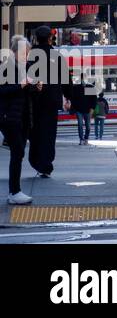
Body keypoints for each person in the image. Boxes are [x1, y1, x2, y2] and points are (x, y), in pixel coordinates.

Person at [26, 26, 71, 178]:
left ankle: (37, 161)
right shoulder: (57, 56)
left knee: (36, 132)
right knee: (49, 133)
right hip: (52, 100)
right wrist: (68, 97)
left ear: (36, 38)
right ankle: (46, 163)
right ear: (50, 38)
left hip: (35, 100)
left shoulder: (30, 55)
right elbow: (66, 81)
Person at [1, 37, 35, 205]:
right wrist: (21, 85)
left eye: (28, 53)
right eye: (24, 53)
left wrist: (37, 85)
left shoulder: (26, 68)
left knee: (19, 152)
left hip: (22, 116)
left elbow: (30, 88)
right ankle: (14, 191)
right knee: (18, 151)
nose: (26, 56)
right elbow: (2, 90)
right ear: (15, 52)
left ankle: (15, 191)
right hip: (9, 116)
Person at [67, 76, 94, 146]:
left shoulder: (90, 87)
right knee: (80, 125)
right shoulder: (76, 88)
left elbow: (93, 99)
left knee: (88, 126)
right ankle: (81, 139)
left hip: (88, 110)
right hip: (79, 110)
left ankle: (86, 138)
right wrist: (73, 107)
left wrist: (92, 108)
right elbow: (73, 99)